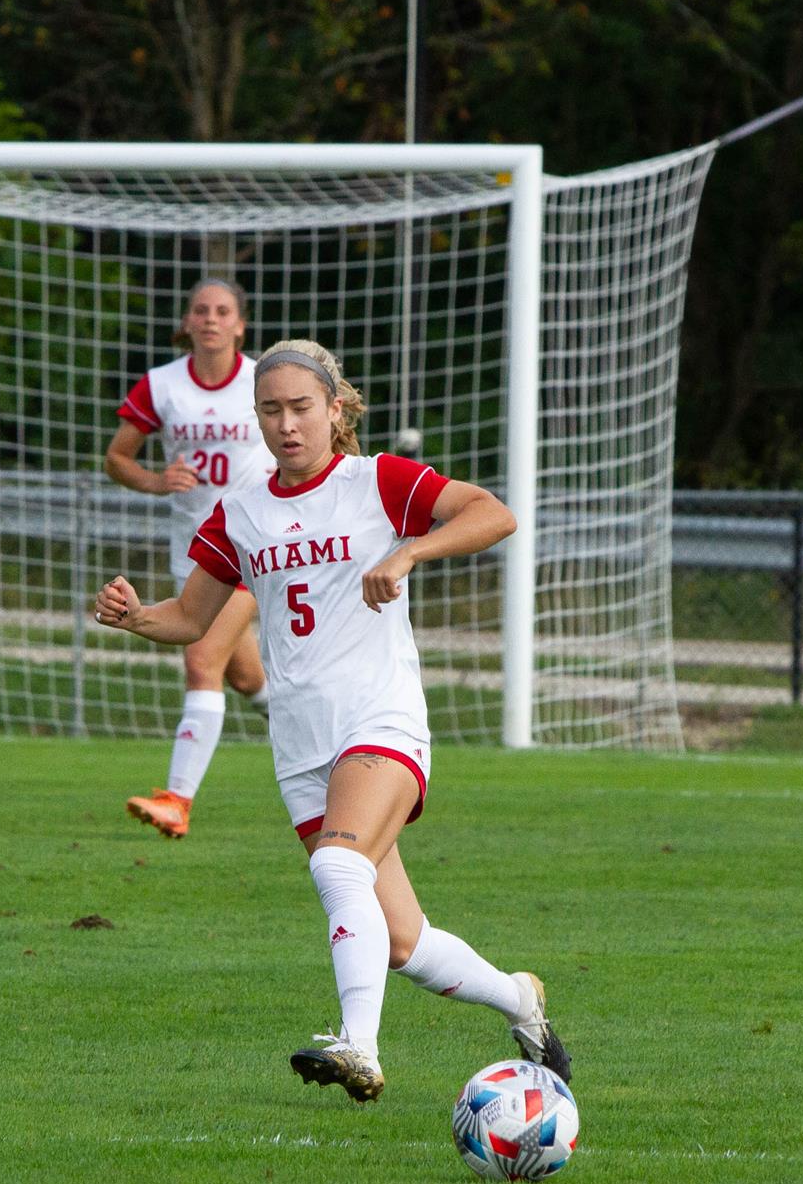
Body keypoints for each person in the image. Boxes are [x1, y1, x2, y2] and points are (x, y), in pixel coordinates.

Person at [92, 339, 570, 1102]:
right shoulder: (241, 513)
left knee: (337, 866)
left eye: (301, 408)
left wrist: (411, 552)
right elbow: (190, 619)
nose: (286, 425)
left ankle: (359, 1048)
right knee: (404, 944)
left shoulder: (377, 480)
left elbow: (494, 513)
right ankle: (522, 1001)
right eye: (270, 411)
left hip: (380, 722)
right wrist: (134, 616)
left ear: (336, 408)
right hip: (302, 744)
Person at [103, 278, 277, 840]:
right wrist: (157, 481)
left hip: (252, 545)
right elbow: (116, 457)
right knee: (246, 675)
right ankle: (325, 744)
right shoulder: (162, 385)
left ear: (240, 324)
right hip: (193, 550)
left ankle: (177, 799)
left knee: (201, 662)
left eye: (223, 310)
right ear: (187, 321)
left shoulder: (262, 381)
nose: (211, 319)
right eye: (201, 310)